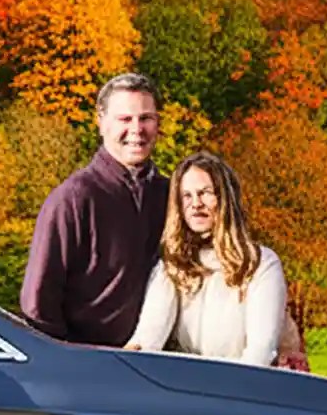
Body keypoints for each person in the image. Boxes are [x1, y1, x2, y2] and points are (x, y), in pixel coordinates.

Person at [19, 73, 171, 347]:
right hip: (90, 367)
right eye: (124, 119)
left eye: (146, 118)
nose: (136, 129)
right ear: (101, 123)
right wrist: (71, 362)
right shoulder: (73, 199)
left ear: (158, 123)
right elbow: (37, 303)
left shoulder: (171, 196)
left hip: (159, 366)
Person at [123, 151, 303, 368]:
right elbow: (147, 339)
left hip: (242, 388)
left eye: (206, 193)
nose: (196, 204)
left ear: (225, 198)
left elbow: (260, 351)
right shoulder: (172, 266)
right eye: (187, 196)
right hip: (186, 389)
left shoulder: (260, 265)